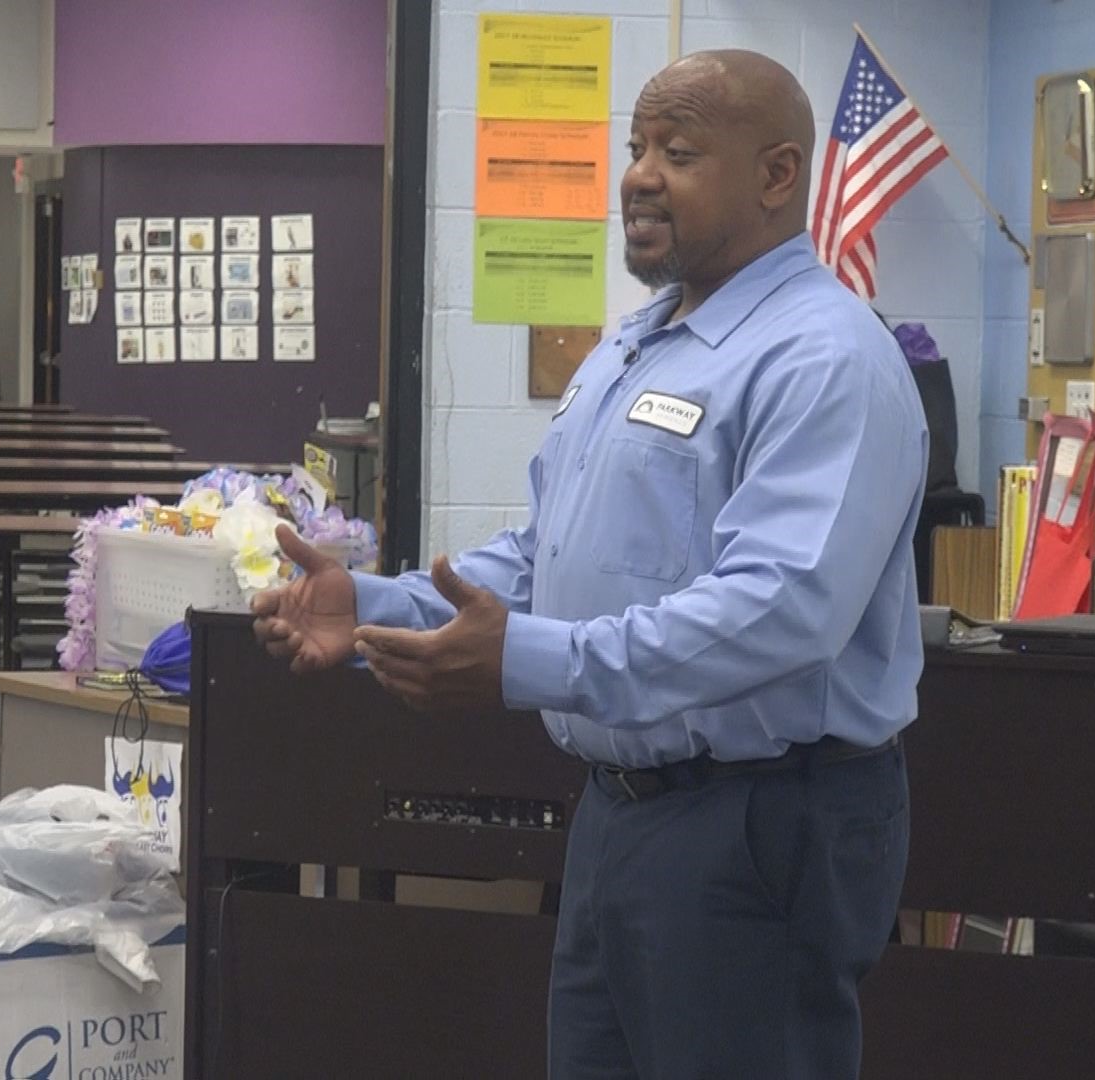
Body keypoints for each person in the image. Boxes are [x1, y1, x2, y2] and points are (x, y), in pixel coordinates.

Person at [253, 49, 928, 1080]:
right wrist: (378, 604)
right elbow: (550, 551)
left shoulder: (826, 358)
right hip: (621, 814)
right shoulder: (635, 344)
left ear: (777, 176)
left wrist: (527, 664)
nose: (640, 175)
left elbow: (782, 608)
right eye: (637, 147)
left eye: (681, 151)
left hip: (761, 820)